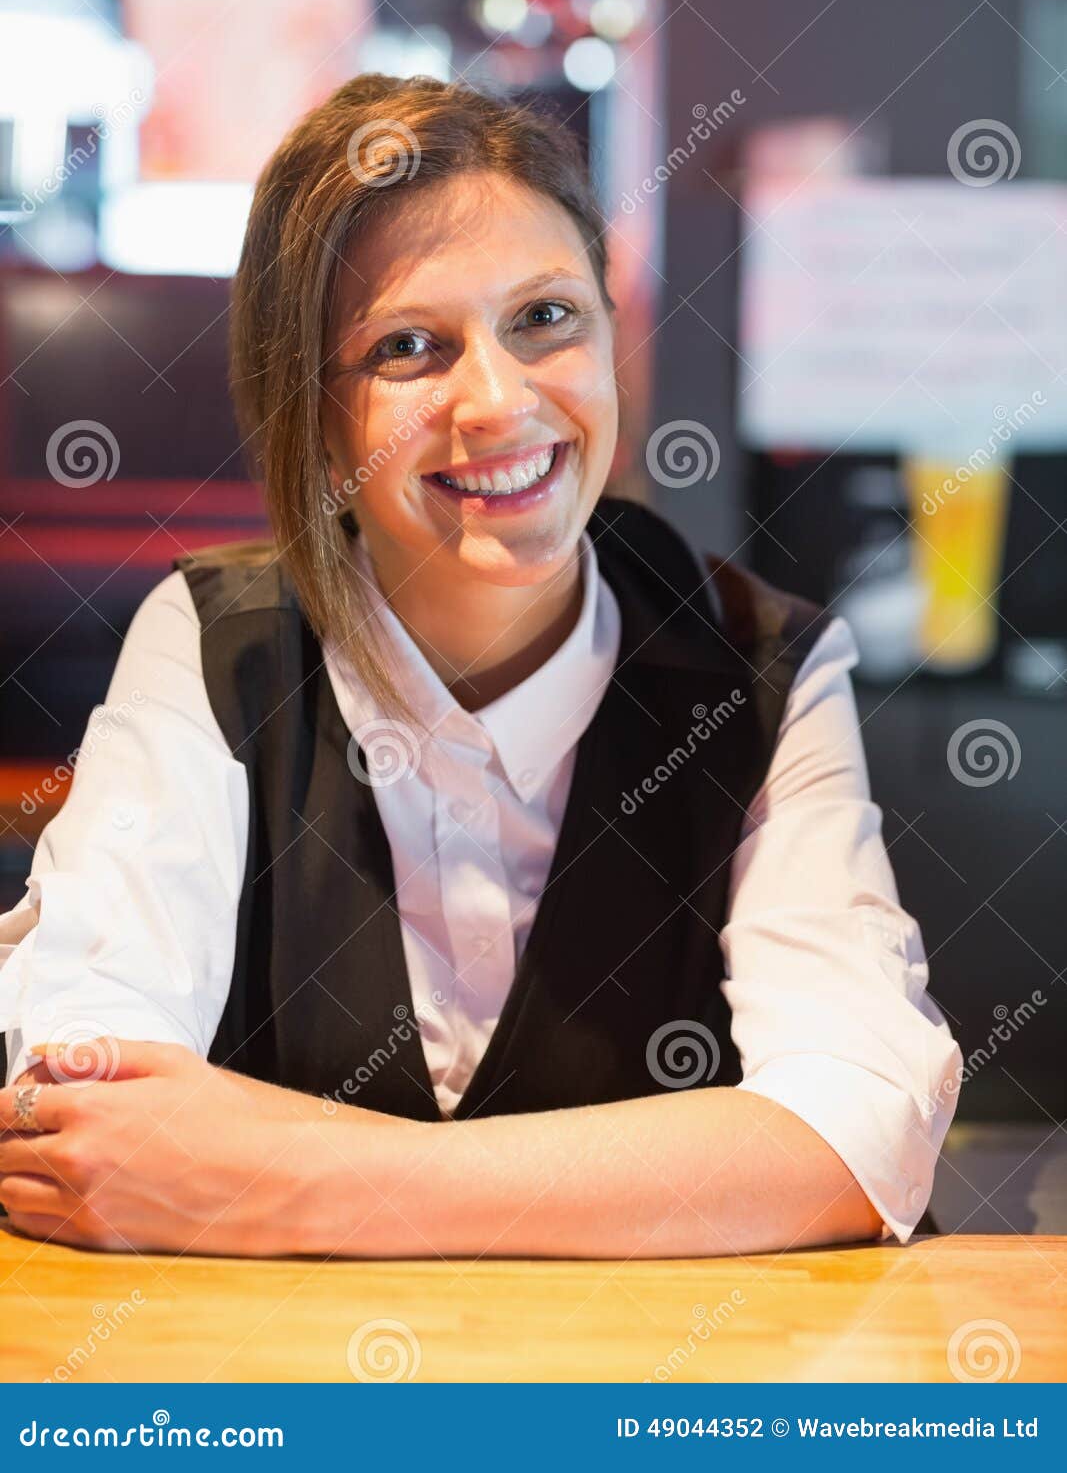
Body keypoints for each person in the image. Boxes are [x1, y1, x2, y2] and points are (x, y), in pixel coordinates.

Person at [0, 74, 961, 1258]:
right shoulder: (217, 641)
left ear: (612, 336)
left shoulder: (758, 663)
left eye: (545, 319)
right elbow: (81, 1114)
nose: (499, 404)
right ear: (313, 408)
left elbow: (860, 1132)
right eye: (409, 347)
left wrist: (297, 1178)